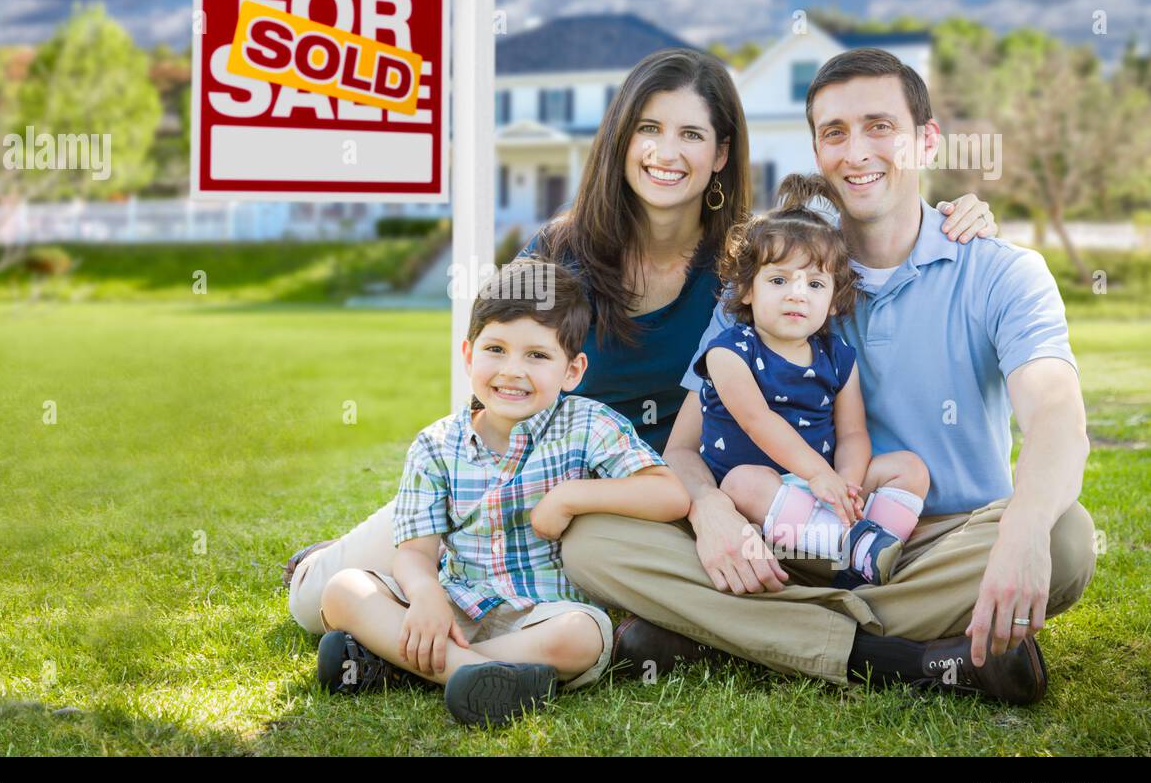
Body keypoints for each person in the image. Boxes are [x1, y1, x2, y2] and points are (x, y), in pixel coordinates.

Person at [285, 46, 999, 638]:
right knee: (317, 597)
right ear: (621, 138)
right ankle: (339, 572)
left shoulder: (750, 264)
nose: (666, 152)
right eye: (648, 129)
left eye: (691, 135)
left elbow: (846, 246)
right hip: (545, 479)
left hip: (672, 498)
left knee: (584, 597)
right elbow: (500, 383)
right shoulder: (560, 252)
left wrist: (958, 213)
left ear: (721, 153)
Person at [560, 48, 1096, 706]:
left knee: (1064, 536)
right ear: (817, 150)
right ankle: (905, 656)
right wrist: (712, 510)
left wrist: (1020, 530)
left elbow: (1058, 419)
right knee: (591, 540)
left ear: (926, 140)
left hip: (927, 545)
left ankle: (723, 630)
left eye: (880, 126)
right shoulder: (774, 274)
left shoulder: (1000, 271)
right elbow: (684, 448)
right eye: (834, 132)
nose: (857, 150)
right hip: (780, 531)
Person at [315, 259, 689, 725]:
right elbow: (414, 552)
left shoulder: (589, 424)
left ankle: (398, 666)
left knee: (584, 636)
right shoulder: (436, 445)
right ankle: (479, 675)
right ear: (469, 355)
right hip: (456, 604)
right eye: (496, 349)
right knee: (343, 590)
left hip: (542, 615)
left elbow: (669, 494)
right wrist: (427, 595)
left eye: (537, 356)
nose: (512, 371)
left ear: (572, 370)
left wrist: (571, 496)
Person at [698, 174, 929, 589]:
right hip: (762, 499)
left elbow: (854, 432)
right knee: (741, 483)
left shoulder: (837, 356)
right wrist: (819, 475)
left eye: (816, 283)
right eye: (779, 280)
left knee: (908, 469)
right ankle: (854, 549)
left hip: (821, 490)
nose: (797, 294)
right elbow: (758, 421)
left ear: (834, 297)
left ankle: (864, 547)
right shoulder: (729, 351)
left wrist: (847, 485)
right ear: (747, 289)